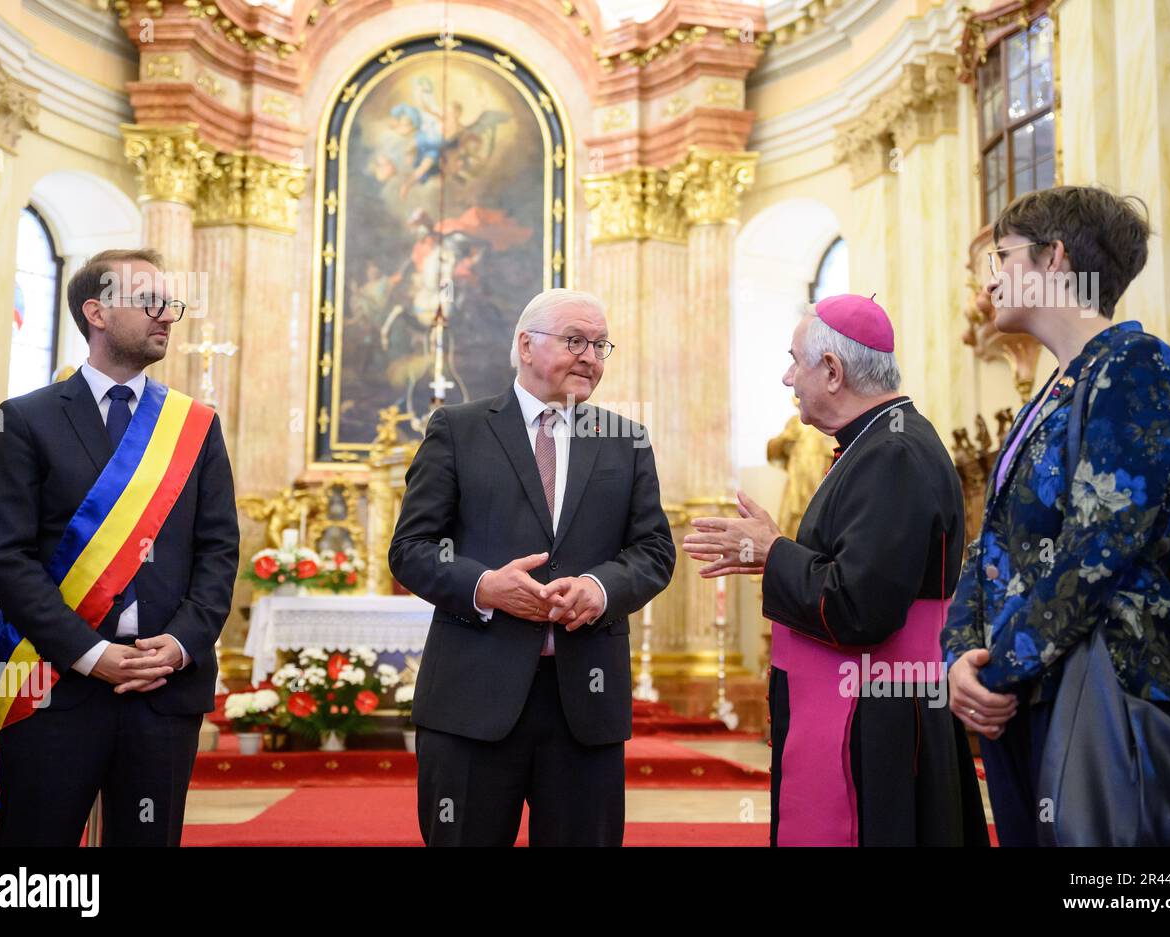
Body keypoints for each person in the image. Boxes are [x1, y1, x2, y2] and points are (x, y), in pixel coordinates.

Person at [942, 186, 1170, 846]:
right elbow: (989, 546)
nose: (991, 277)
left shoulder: (1136, 366)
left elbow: (1100, 548)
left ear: (1055, 259)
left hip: (1107, 696)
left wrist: (995, 671)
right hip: (1027, 698)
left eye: (1002, 256)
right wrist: (958, 660)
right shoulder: (1051, 392)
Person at [684, 294, 987, 846]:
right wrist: (772, 553)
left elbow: (859, 607)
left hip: (876, 719)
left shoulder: (891, 453)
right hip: (872, 706)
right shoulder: (876, 442)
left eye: (795, 360)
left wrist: (773, 551)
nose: (785, 377)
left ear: (832, 370)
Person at [389, 287, 676, 846]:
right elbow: (412, 548)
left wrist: (600, 586)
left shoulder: (625, 440)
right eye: (575, 340)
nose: (590, 356)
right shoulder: (458, 429)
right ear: (525, 344)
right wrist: (483, 586)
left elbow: (654, 551)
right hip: (473, 699)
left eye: (600, 345)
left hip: (584, 706)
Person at [0, 248, 239, 846]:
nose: (166, 314)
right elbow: (5, 557)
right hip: (54, 683)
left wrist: (178, 645)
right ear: (95, 311)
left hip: (162, 687)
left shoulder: (195, 424)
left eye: (171, 302)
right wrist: (89, 653)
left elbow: (219, 551)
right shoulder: (25, 419)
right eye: (149, 301)